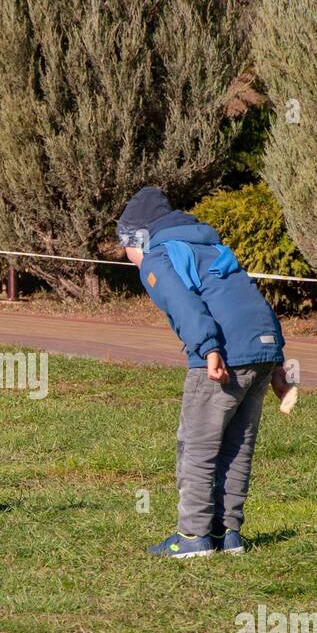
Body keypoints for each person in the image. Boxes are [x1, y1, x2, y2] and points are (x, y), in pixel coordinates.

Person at [118, 186, 289, 557]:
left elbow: (183, 305)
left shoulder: (156, 256)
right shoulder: (211, 248)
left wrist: (208, 347)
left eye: (125, 247)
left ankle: (193, 538)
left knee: (197, 446)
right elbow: (251, 298)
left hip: (223, 357)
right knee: (237, 446)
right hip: (260, 350)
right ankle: (227, 534)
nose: (127, 256)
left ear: (137, 238)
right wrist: (276, 358)